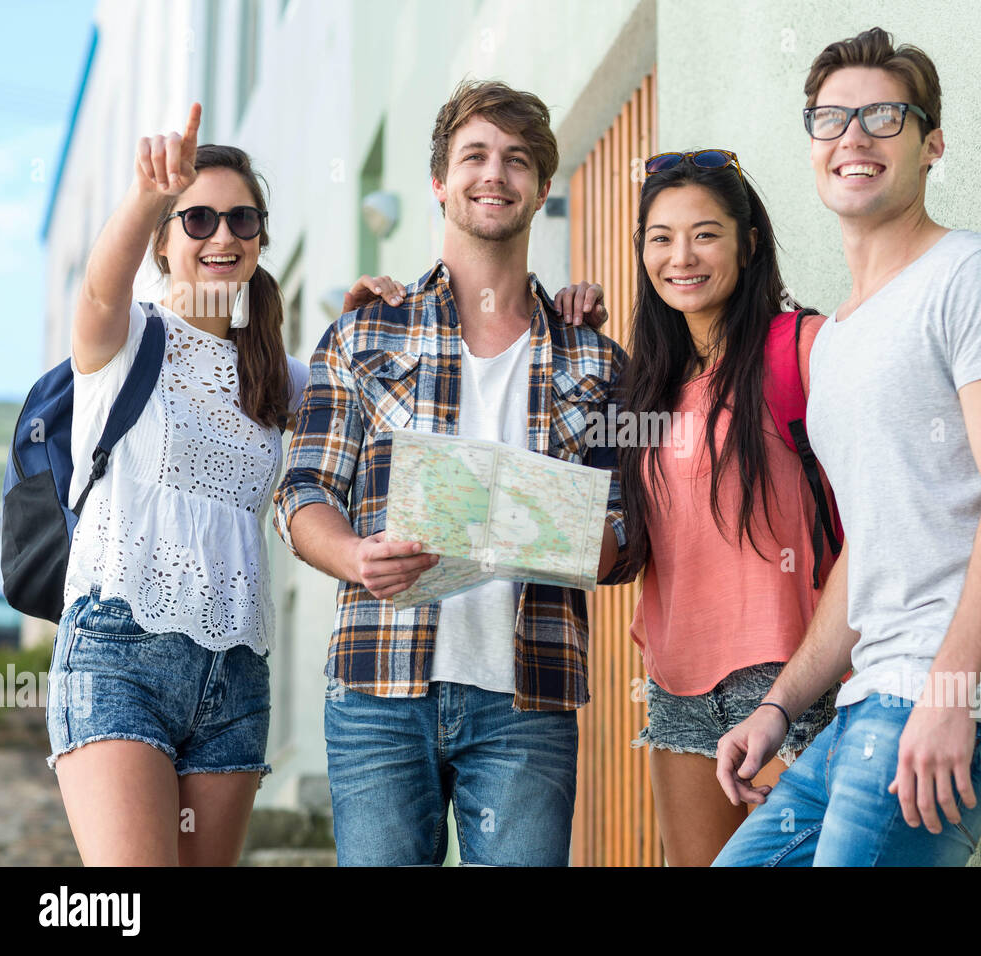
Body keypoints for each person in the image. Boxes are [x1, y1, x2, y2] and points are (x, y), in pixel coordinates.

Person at [712, 27, 981, 867]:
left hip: (961, 692)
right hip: (871, 696)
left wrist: (950, 691)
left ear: (931, 141)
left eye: (882, 116)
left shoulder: (975, 277)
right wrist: (778, 707)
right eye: (831, 119)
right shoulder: (836, 339)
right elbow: (870, 554)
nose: (853, 138)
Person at [272, 79, 631, 867]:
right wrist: (355, 558)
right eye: (474, 155)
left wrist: (584, 532)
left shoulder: (596, 360)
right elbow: (302, 492)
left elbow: (626, 535)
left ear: (541, 187)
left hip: (526, 702)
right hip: (377, 691)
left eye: (516, 159)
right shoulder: (364, 332)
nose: (493, 173)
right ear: (440, 182)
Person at [46, 103, 310, 865]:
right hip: (117, 655)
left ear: (259, 240)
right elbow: (98, 292)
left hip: (237, 674)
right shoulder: (128, 340)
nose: (221, 236)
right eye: (195, 220)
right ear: (164, 239)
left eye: (241, 220)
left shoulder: (277, 376)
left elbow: (370, 396)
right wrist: (145, 194)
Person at [619, 150, 841, 866]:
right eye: (661, 236)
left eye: (705, 233)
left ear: (748, 244)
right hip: (677, 687)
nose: (681, 256)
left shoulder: (801, 348)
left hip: (793, 686)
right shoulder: (648, 384)